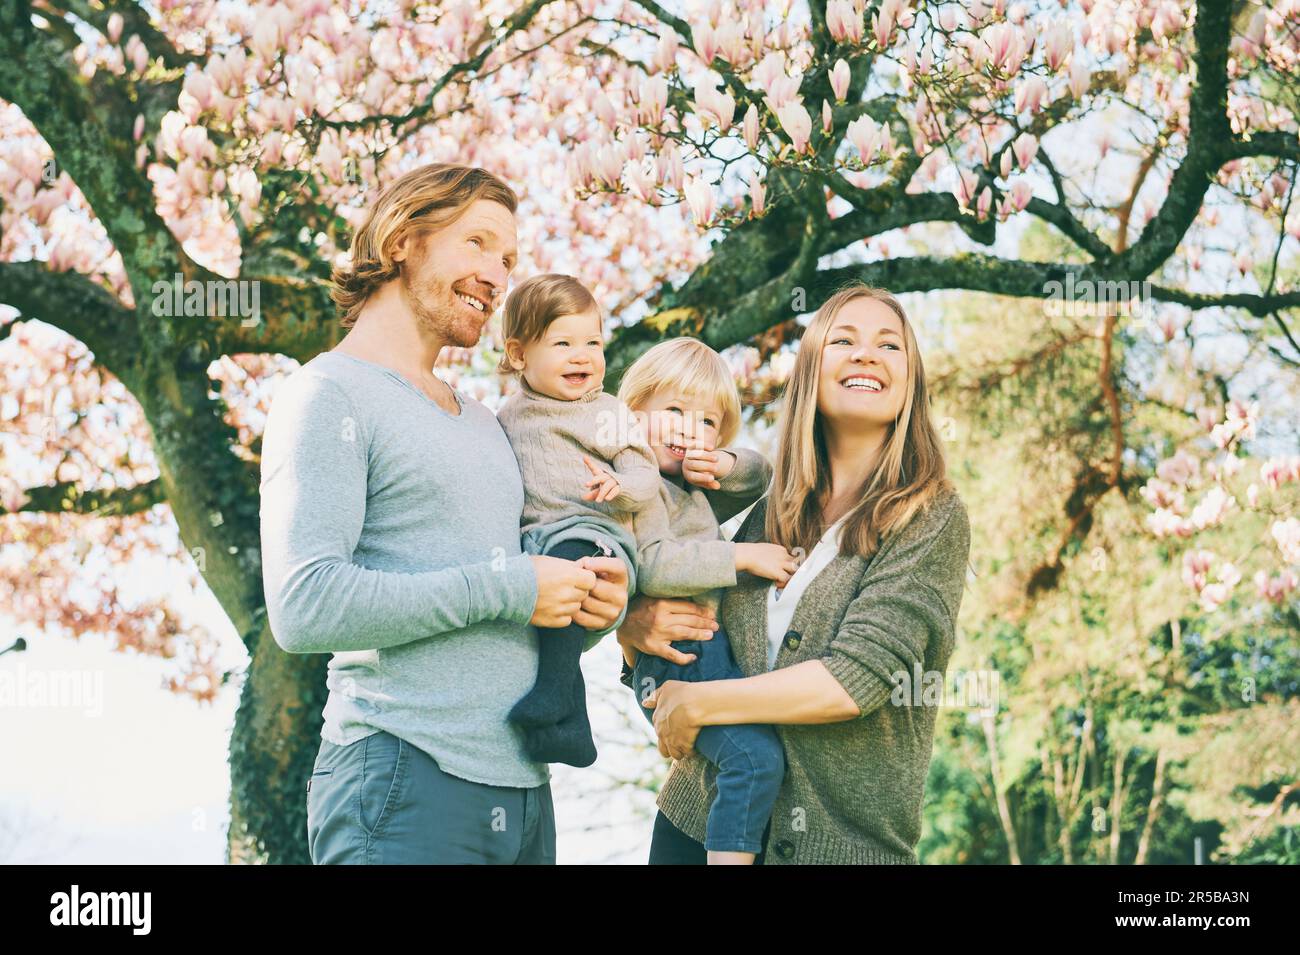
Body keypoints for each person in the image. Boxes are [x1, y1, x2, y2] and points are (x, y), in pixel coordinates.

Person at [258, 163, 629, 865]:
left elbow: (509, 609)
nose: (497, 274)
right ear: (404, 239)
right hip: (405, 781)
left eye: (510, 259)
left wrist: (585, 605)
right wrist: (515, 586)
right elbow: (305, 606)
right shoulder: (328, 394)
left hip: (524, 793)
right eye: (478, 243)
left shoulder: (488, 424)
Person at [619, 284, 973, 864]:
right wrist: (634, 629)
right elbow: (695, 623)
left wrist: (704, 704)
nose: (866, 354)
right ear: (811, 369)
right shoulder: (772, 509)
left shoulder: (930, 517)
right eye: (844, 340)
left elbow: (857, 679)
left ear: (910, 381)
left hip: (834, 848)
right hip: (692, 827)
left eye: (889, 345)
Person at [615, 337, 799, 864]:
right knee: (752, 759)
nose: (686, 430)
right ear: (632, 413)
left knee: (750, 758)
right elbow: (654, 565)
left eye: (706, 423)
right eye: (672, 410)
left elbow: (759, 477)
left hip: (703, 652)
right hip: (675, 659)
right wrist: (742, 559)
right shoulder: (640, 486)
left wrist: (718, 463)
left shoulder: (688, 490)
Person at [495, 273, 661, 767]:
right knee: (548, 607)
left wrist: (621, 485)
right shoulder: (507, 416)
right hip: (539, 540)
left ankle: (550, 696)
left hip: (597, 533)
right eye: (563, 342)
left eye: (593, 343)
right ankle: (572, 729)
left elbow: (644, 471)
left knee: (569, 570)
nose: (582, 356)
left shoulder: (606, 412)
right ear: (520, 355)